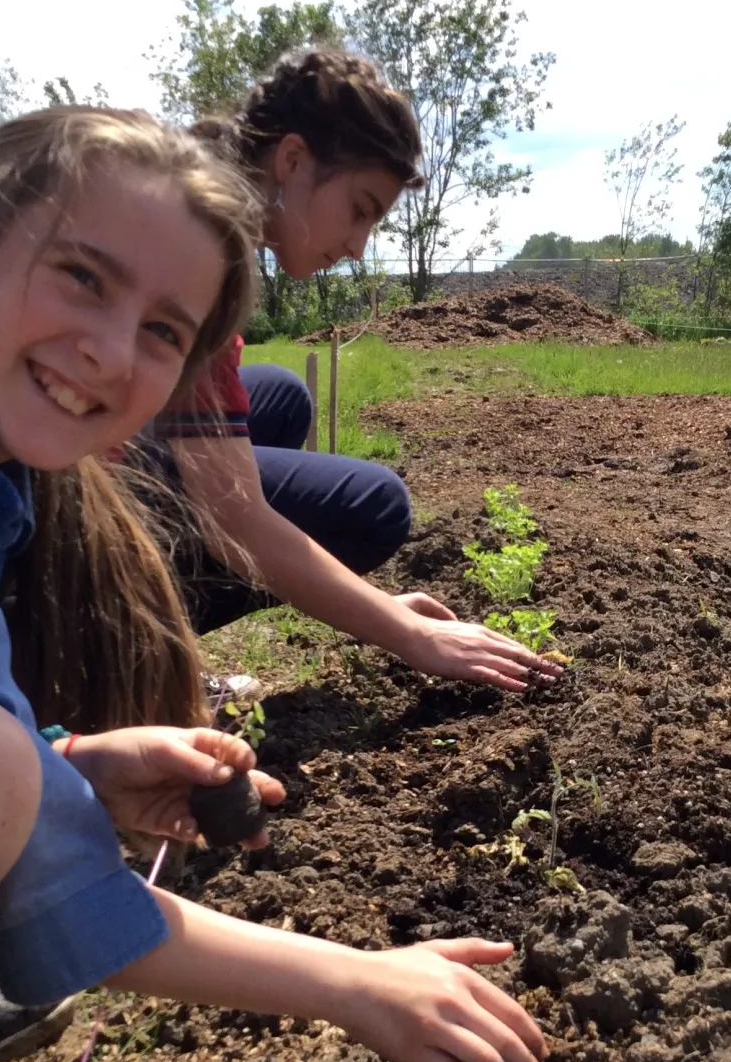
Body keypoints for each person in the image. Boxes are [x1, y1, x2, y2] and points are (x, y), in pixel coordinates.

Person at [0, 105, 547, 1062]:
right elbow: (45, 864)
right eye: (82, 277)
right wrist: (357, 982)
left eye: (162, 333)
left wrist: (73, 770)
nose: (108, 350)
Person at [139, 48, 561, 693]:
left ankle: (149, 633)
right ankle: (133, 654)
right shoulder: (201, 246)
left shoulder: (204, 209)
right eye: (359, 209)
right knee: (372, 506)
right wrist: (402, 627)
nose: (359, 245)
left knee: (278, 394)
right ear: (292, 160)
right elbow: (236, 520)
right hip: (45, 508)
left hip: (90, 458)